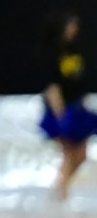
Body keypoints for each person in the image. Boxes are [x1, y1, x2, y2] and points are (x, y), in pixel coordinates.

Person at [42, 13, 95, 205]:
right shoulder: (52, 52)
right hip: (63, 110)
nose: (75, 29)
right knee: (68, 154)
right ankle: (61, 195)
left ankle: (60, 187)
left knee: (81, 155)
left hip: (77, 107)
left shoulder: (74, 50)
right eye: (71, 25)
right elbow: (52, 86)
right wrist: (60, 114)